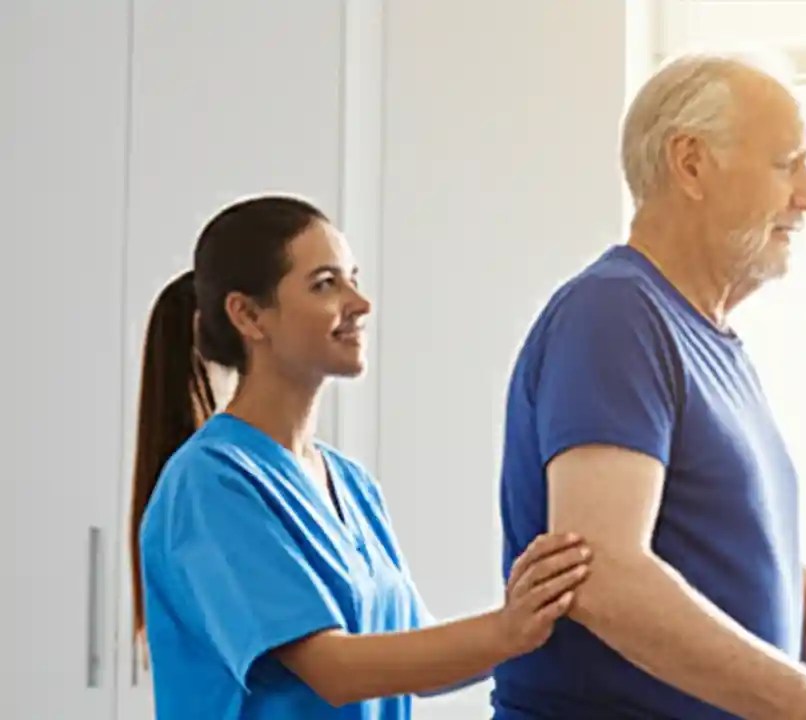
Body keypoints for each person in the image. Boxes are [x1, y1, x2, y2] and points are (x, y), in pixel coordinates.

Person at [492, 54, 806, 720]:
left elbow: (762, 575)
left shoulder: (710, 343)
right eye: (787, 163)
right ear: (691, 164)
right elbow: (605, 574)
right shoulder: (614, 314)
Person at [130, 195, 591, 720]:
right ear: (249, 315)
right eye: (326, 284)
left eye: (352, 277)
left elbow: (415, 657)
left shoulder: (350, 485)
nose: (360, 302)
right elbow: (335, 671)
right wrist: (507, 629)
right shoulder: (210, 483)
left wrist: (544, 614)